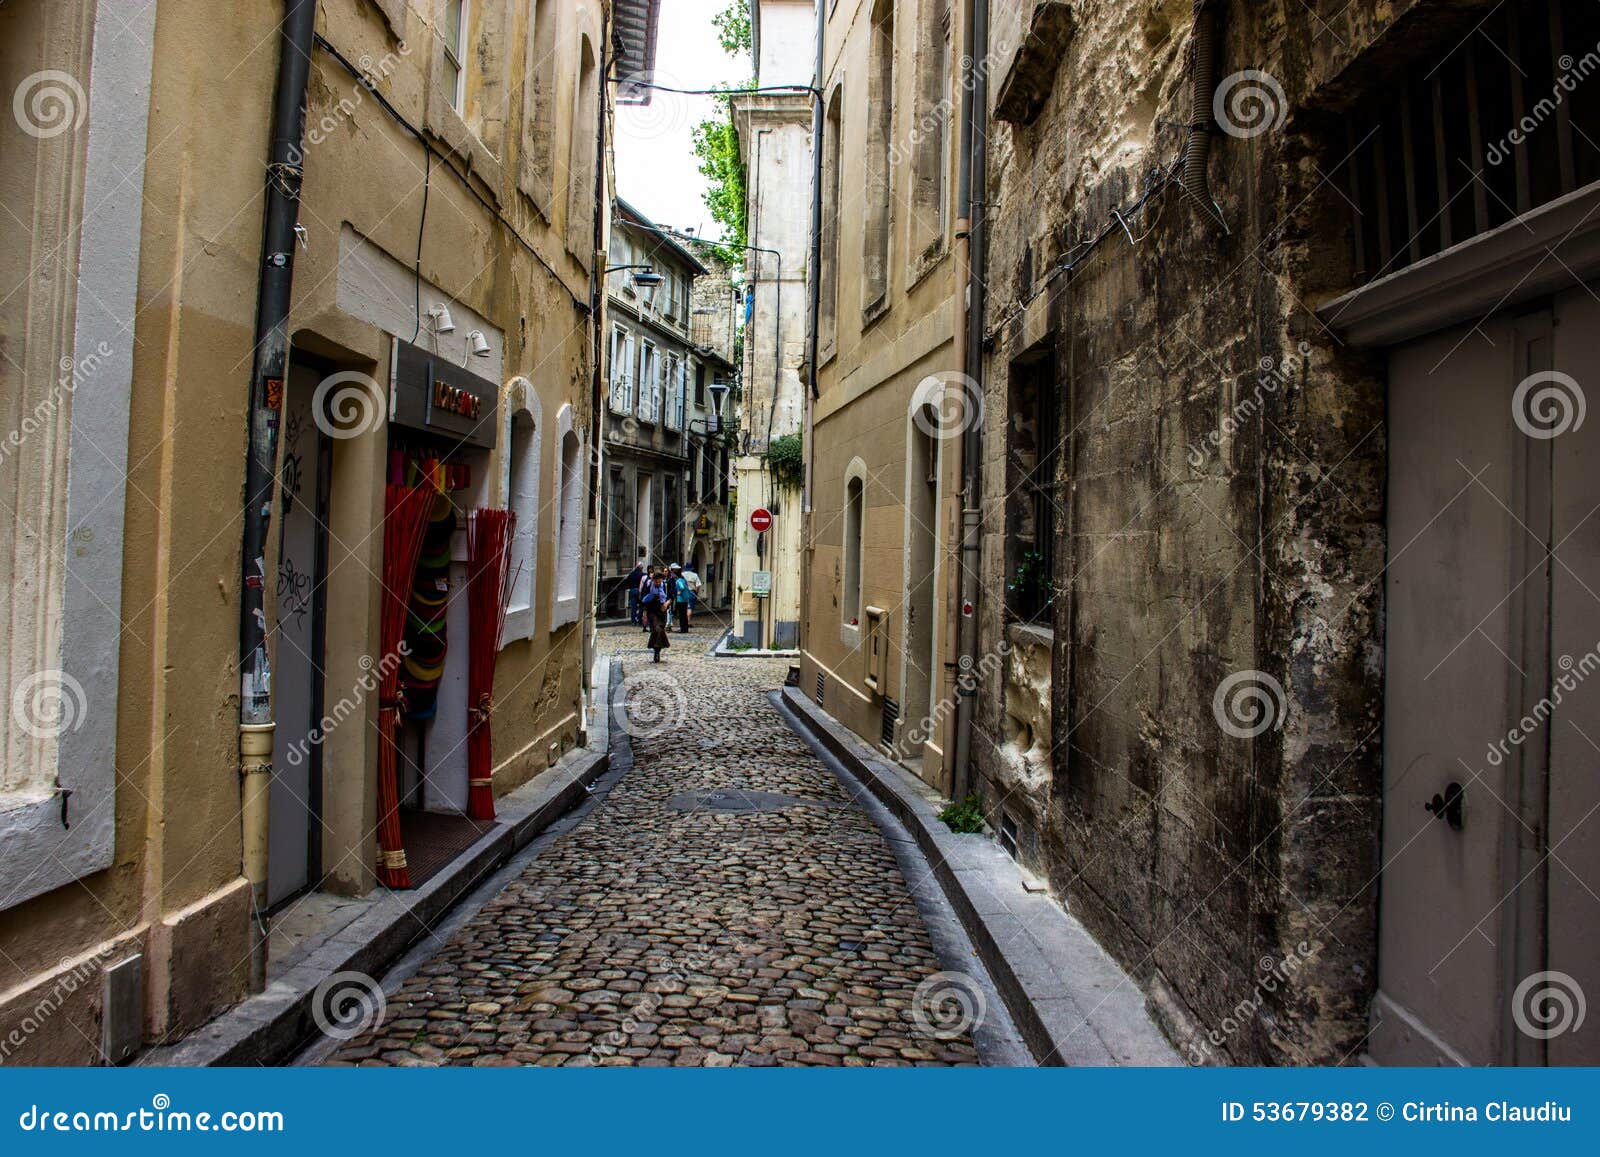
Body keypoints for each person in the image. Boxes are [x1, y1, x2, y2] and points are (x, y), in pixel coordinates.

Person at [641, 567, 672, 661]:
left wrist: (666, 604)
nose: (658, 583)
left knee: (659, 630)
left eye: (659, 582)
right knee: (656, 629)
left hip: (662, 612)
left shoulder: (665, 586)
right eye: (656, 582)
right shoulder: (648, 586)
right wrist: (645, 613)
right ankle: (657, 651)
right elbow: (643, 600)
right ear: (653, 580)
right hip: (652, 612)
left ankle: (657, 649)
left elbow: (671, 597)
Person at [623, 556, 647, 625]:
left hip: (632, 590)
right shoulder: (642, 574)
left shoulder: (631, 574)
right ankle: (639, 620)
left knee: (633, 607)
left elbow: (627, 581)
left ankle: (633, 621)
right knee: (641, 606)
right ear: (641, 568)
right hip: (639, 591)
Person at [672, 563, 693, 632]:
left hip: (680, 599)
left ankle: (682, 628)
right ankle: (685, 628)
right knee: (684, 614)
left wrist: (679, 591)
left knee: (681, 615)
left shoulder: (678, 580)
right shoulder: (683, 579)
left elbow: (682, 587)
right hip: (685, 599)